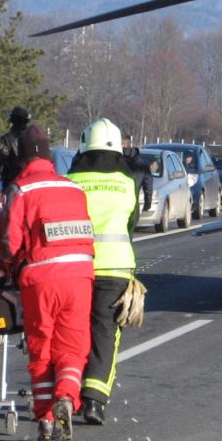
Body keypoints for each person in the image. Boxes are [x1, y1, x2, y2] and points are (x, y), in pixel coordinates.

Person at [0, 124, 94, 441]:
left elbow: (10, 242)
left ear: (23, 158)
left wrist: (8, 267)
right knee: (73, 347)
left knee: (41, 350)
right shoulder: (73, 189)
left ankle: (46, 422)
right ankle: (66, 396)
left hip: (40, 279)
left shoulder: (21, 189)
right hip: (80, 277)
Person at [69, 118, 141, 425]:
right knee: (106, 333)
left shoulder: (70, 179)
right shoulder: (126, 182)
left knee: (73, 333)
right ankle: (95, 400)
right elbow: (131, 224)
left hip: (75, 266)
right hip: (115, 268)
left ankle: (67, 394)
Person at [121, 134, 152, 213]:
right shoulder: (142, 165)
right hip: (133, 205)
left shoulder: (116, 162)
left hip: (116, 205)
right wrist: (147, 205)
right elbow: (148, 188)